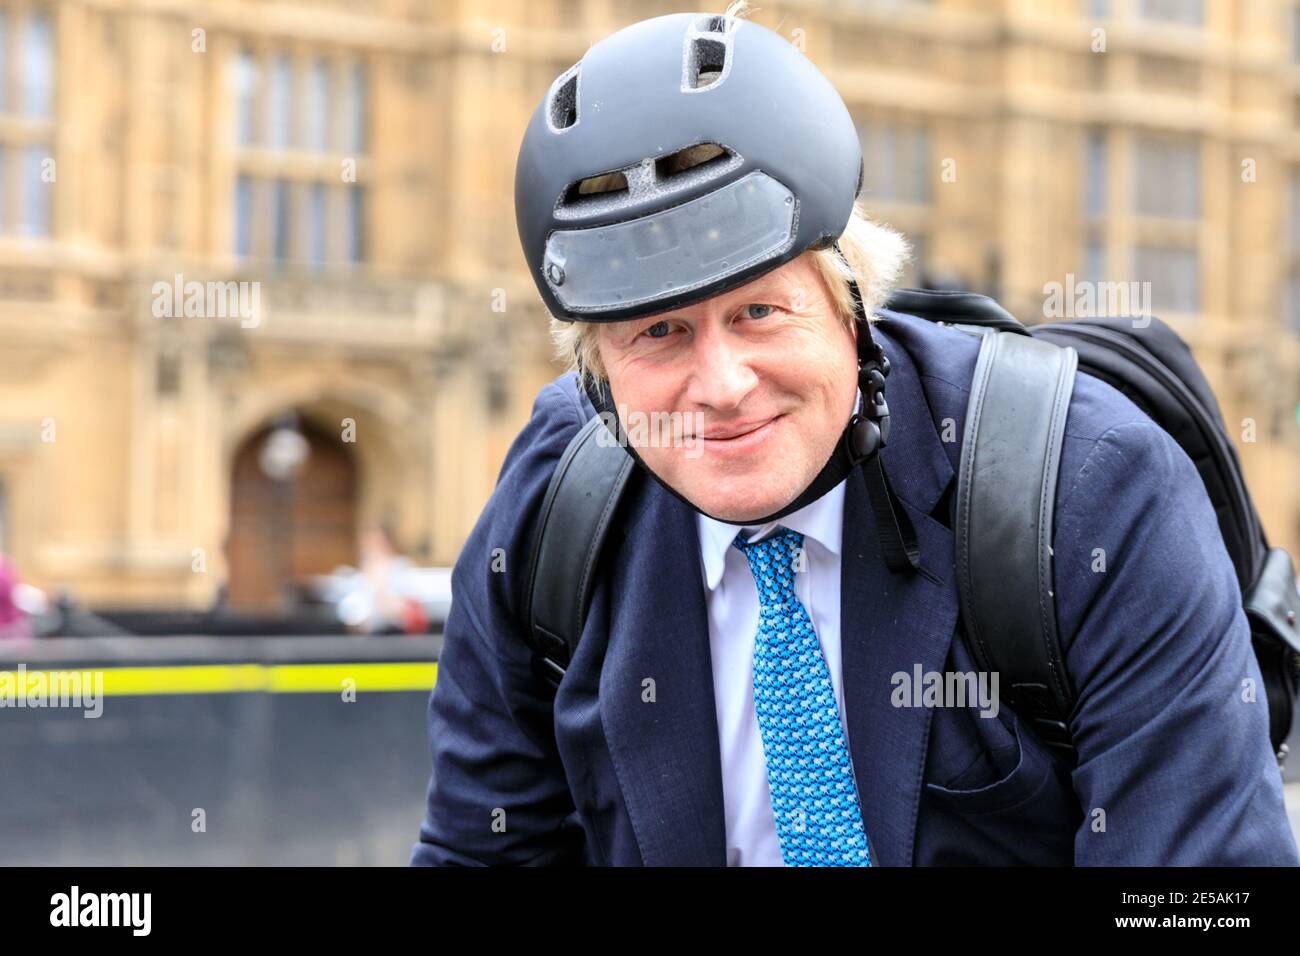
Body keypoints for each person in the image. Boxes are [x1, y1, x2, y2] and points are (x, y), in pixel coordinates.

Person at [410, 3, 1299, 866]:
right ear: (594, 368)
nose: (720, 387)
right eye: (657, 332)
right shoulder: (553, 505)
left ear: (854, 302)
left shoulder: (1091, 489)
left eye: (759, 311)